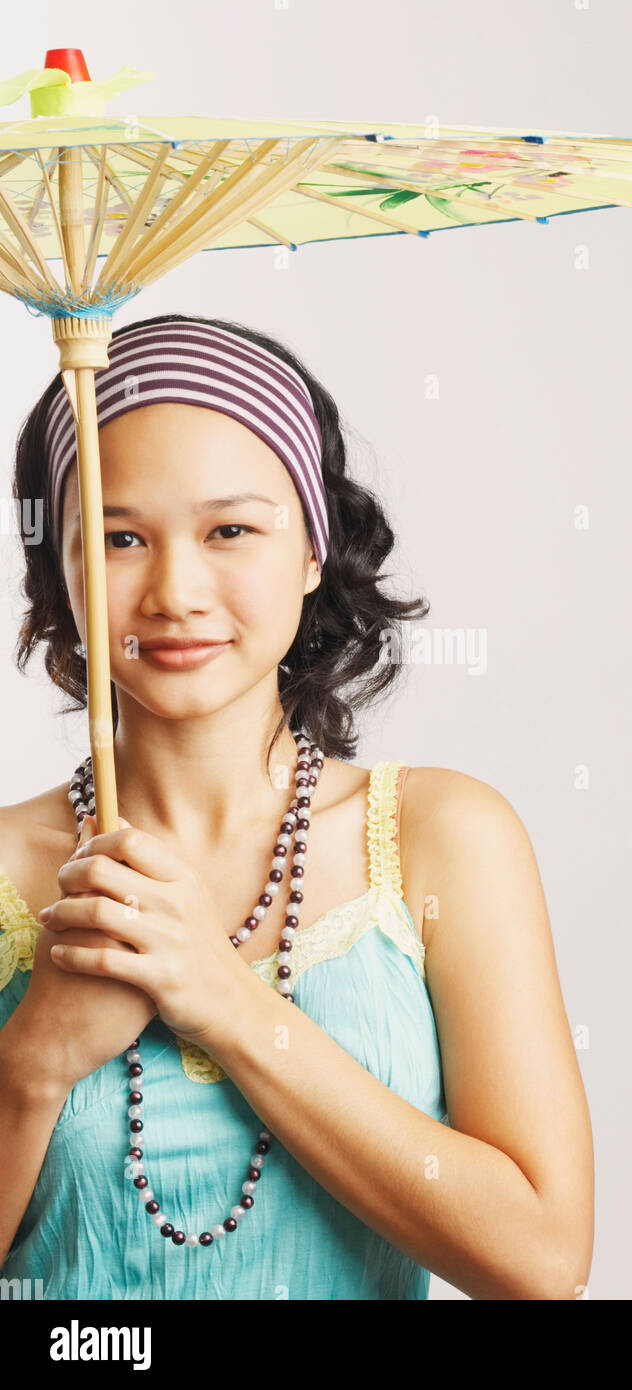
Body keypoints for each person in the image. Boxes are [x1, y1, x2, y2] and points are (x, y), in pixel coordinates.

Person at [0, 312, 594, 1300]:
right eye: (118, 537)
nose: (177, 591)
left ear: (313, 547)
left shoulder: (441, 842)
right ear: (60, 576)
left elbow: (539, 1258)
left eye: (230, 529)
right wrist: (31, 1065)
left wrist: (222, 996)